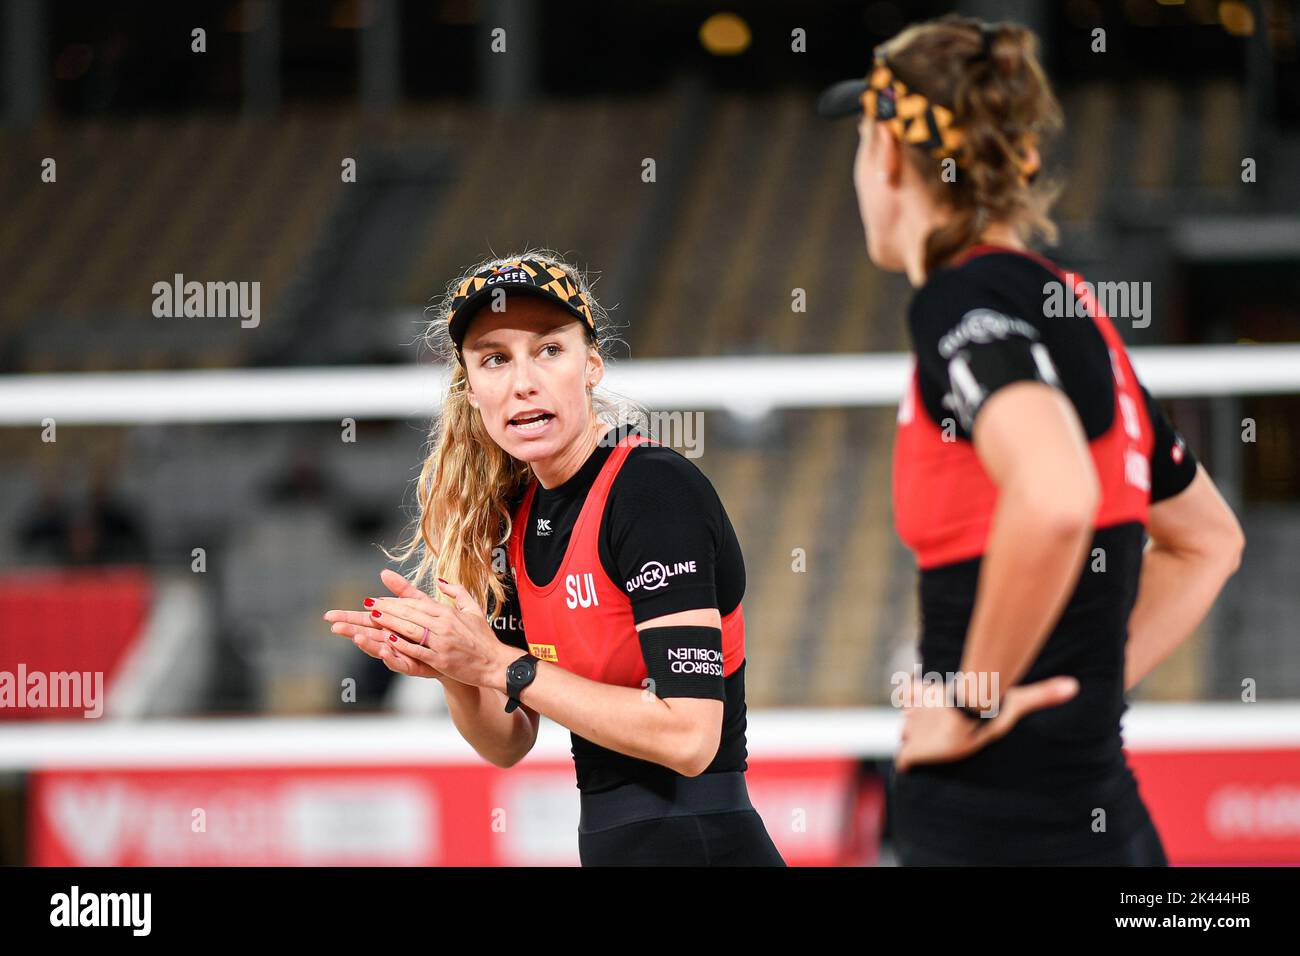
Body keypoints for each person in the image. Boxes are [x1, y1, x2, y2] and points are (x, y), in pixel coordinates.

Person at [818, 14, 1244, 864]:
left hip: (995, 824)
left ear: (889, 158)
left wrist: (972, 698)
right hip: (1099, 814)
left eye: (864, 141)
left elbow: (1054, 496)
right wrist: (1082, 688)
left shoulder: (957, 300)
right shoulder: (1071, 311)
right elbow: (1208, 541)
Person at [324, 251, 784, 866]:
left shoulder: (651, 492)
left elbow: (690, 737)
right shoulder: (516, 517)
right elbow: (509, 741)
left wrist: (502, 665)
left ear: (591, 364)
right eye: (494, 359)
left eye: (548, 349)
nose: (523, 382)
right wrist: (457, 670)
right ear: (469, 386)